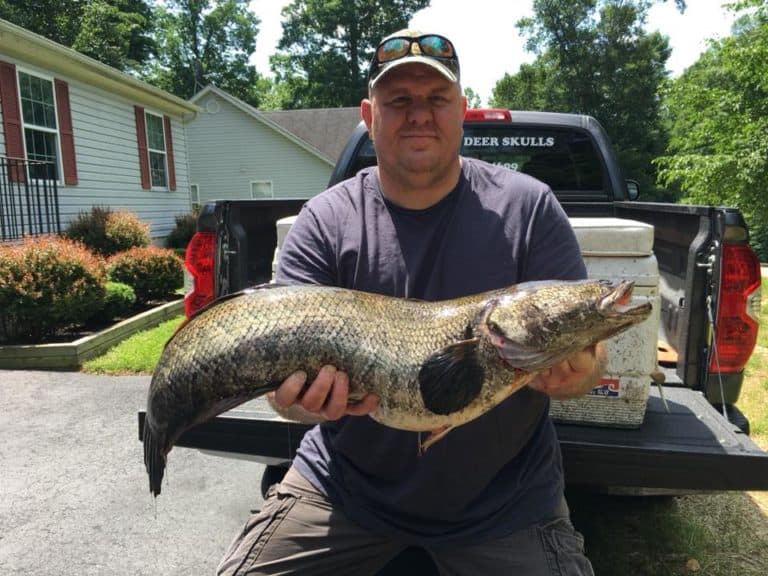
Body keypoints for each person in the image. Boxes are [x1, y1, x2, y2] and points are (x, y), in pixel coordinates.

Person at [217, 29, 601, 576]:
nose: (418, 114)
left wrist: (577, 372)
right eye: (399, 100)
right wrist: (301, 403)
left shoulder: (529, 208)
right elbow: (285, 398)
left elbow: (589, 361)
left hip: (506, 502)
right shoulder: (325, 220)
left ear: (462, 110)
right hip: (343, 490)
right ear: (368, 115)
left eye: (436, 99)